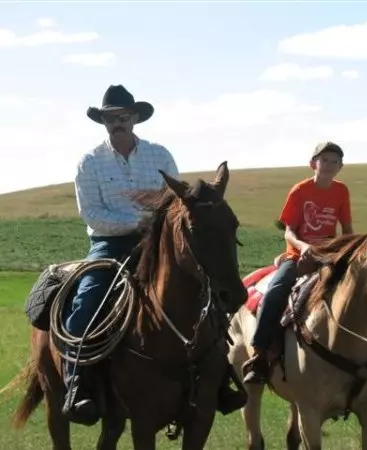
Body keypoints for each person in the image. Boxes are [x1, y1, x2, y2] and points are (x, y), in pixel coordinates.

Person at [63, 84, 246, 425]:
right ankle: (77, 383)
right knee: (86, 302)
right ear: (102, 121)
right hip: (109, 244)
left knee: (205, 297)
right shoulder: (89, 162)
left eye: (123, 116)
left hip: (159, 243)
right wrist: (143, 219)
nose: (118, 122)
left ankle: (220, 378)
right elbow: (93, 215)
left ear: (134, 118)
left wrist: (156, 224)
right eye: (110, 117)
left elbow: (177, 205)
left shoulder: (160, 155)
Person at [242, 141, 354, 384]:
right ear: (313, 163)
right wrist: (305, 247)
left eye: (335, 161)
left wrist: (347, 251)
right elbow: (288, 232)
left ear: (340, 167)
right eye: (324, 160)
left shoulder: (341, 191)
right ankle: (260, 355)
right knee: (275, 292)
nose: (329, 165)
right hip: (298, 257)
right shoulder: (300, 191)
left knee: (365, 285)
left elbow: (346, 230)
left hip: (329, 256)